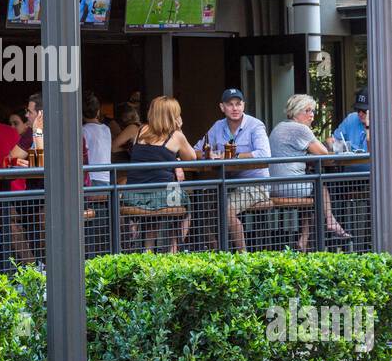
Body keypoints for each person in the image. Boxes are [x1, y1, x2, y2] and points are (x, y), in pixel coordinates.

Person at [268, 94, 353, 251]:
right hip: (290, 187)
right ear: (295, 112)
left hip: (272, 186)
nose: (312, 115)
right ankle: (331, 222)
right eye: (307, 110)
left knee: (311, 197)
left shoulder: (279, 126)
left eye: (313, 111)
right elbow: (322, 154)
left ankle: (303, 240)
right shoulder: (300, 129)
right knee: (322, 187)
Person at [195, 88, 271, 251]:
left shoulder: (255, 125)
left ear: (243, 105)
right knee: (200, 205)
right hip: (226, 184)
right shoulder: (218, 126)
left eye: (238, 104)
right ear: (222, 107)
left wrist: (232, 156)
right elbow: (197, 150)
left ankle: (242, 257)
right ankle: (216, 250)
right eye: (230, 104)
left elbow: (264, 154)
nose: (235, 108)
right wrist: (210, 155)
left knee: (226, 209)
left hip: (255, 184)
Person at [124, 96, 196, 252]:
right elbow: (192, 158)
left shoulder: (140, 130)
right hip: (160, 196)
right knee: (188, 205)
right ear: (173, 115)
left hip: (132, 195)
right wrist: (180, 130)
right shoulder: (176, 136)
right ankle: (173, 252)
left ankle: (148, 252)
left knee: (153, 215)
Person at [82, 91, 113, 184]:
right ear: (98, 111)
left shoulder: (83, 130)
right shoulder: (106, 129)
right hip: (106, 177)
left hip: (91, 177)